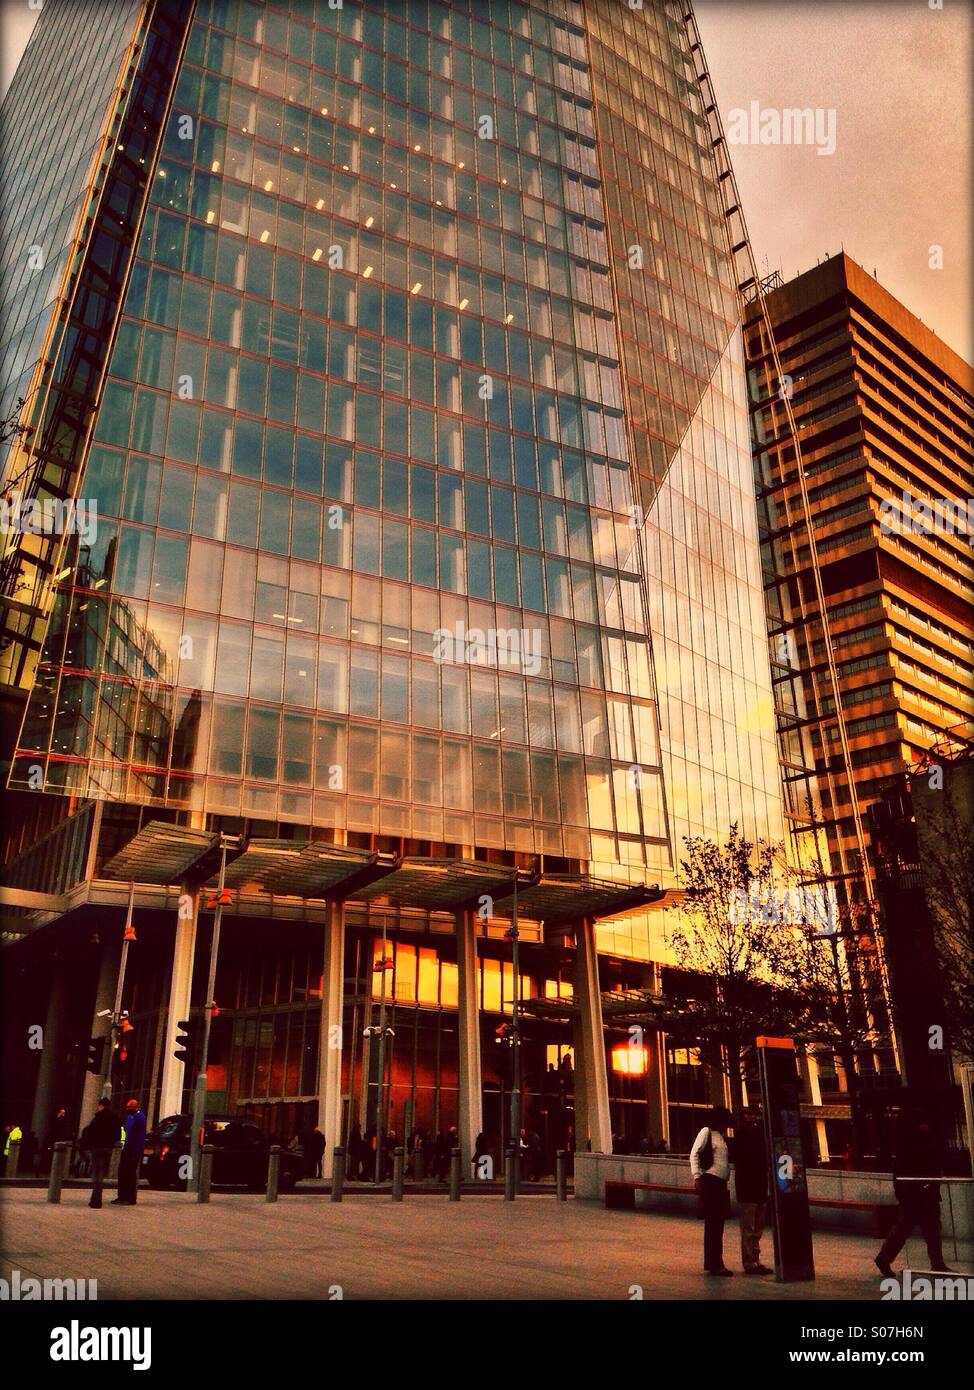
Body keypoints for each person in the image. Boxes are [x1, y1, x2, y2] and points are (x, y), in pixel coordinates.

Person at [875, 1108, 954, 1276]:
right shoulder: (920, 1146)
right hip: (918, 1193)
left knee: (913, 1228)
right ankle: (936, 1264)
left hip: (917, 1193)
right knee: (923, 1228)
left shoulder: (911, 1145)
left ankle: (886, 1258)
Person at [690, 1106, 734, 1276]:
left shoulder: (720, 1137)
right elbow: (694, 1153)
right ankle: (715, 1263)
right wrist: (696, 1176)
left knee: (717, 1224)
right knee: (714, 1223)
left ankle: (715, 1262)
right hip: (711, 1180)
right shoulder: (706, 1132)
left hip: (720, 1181)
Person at [732, 1108, 772, 1275]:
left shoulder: (742, 1136)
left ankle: (752, 1260)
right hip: (756, 1187)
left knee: (751, 1227)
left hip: (750, 1188)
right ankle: (752, 1260)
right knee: (754, 1227)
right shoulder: (758, 1137)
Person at [80, 1099, 120, 1209]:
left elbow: (88, 1132)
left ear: (100, 1105)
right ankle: (97, 1198)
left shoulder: (97, 1118)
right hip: (108, 1148)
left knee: (97, 1173)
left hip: (97, 1147)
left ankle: (96, 1200)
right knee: (102, 1172)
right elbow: (119, 1133)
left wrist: (89, 1144)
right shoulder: (114, 1118)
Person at [113, 1098, 146, 1205]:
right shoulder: (129, 1117)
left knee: (130, 1174)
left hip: (133, 1150)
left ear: (136, 1107)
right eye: (127, 1107)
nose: (127, 1109)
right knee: (123, 1172)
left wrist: (136, 1151)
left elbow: (140, 1136)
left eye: (130, 1107)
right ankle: (121, 1196)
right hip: (126, 1148)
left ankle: (130, 1197)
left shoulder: (140, 1118)